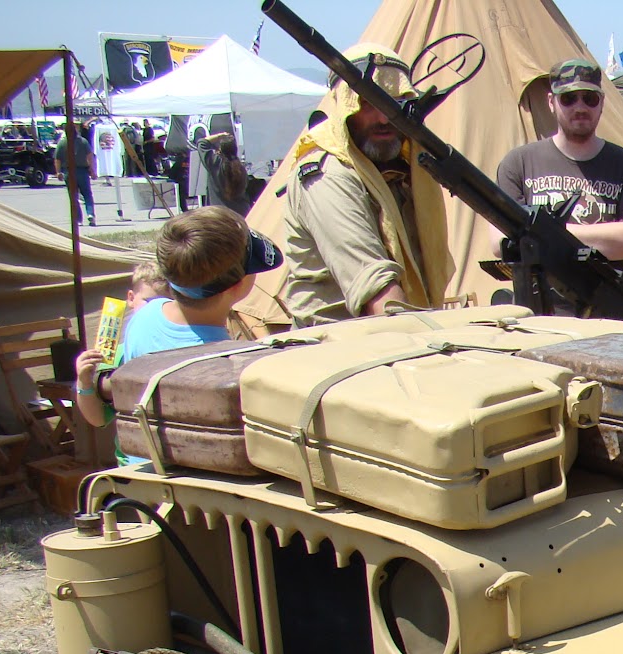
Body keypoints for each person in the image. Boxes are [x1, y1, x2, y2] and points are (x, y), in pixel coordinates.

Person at [73, 207, 282, 464]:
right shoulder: (226, 359)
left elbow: (101, 406)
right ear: (239, 286)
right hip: (197, 483)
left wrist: (84, 384)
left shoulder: (143, 317)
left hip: (138, 473)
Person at [278, 45, 452, 328]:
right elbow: (377, 290)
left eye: (392, 104)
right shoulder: (327, 175)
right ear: (346, 106)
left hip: (398, 331)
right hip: (336, 346)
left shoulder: (408, 169)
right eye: (368, 105)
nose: (384, 118)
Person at [494, 57, 623, 313]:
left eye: (589, 98)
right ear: (551, 102)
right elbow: (499, 241)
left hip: (611, 317)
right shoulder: (519, 163)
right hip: (539, 317)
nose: (580, 107)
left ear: (602, 103)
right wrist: (599, 239)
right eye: (568, 99)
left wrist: (546, 236)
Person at [55, 121, 96, 226]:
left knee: (73, 197)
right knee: (87, 194)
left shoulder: (62, 143)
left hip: (68, 171)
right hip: (82, 170)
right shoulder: (83, 141)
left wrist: (58, 172)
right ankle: (90, 214)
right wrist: (92, 169)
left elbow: (57, 159)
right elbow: (90, 155)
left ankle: (78, 219)